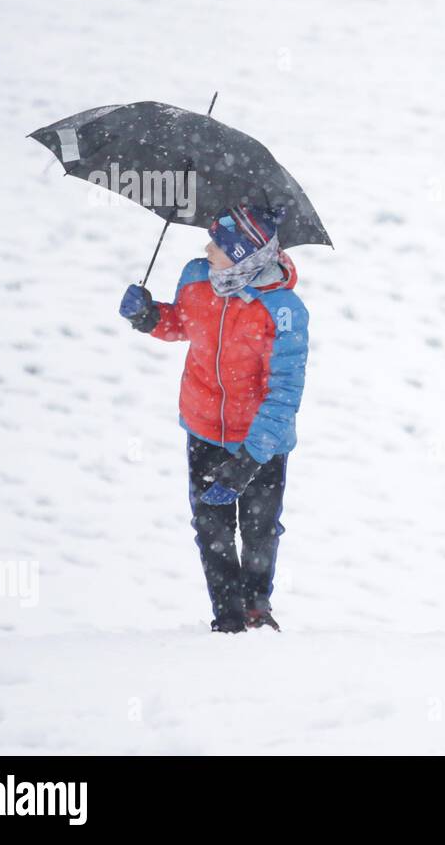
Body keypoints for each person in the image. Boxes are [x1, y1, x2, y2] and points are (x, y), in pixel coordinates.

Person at [118, 205, 310, 633]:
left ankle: (258, 609)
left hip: (260, 442)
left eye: (219, 246)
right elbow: (182, 325)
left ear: (243, 255)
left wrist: (248, 460)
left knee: (259, 529)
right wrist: (150, 317)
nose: (207, 249)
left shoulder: (283, 311)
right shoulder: (196, 277)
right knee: (211, 530)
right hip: (203, 428)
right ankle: (228, 618)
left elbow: (285, 395)